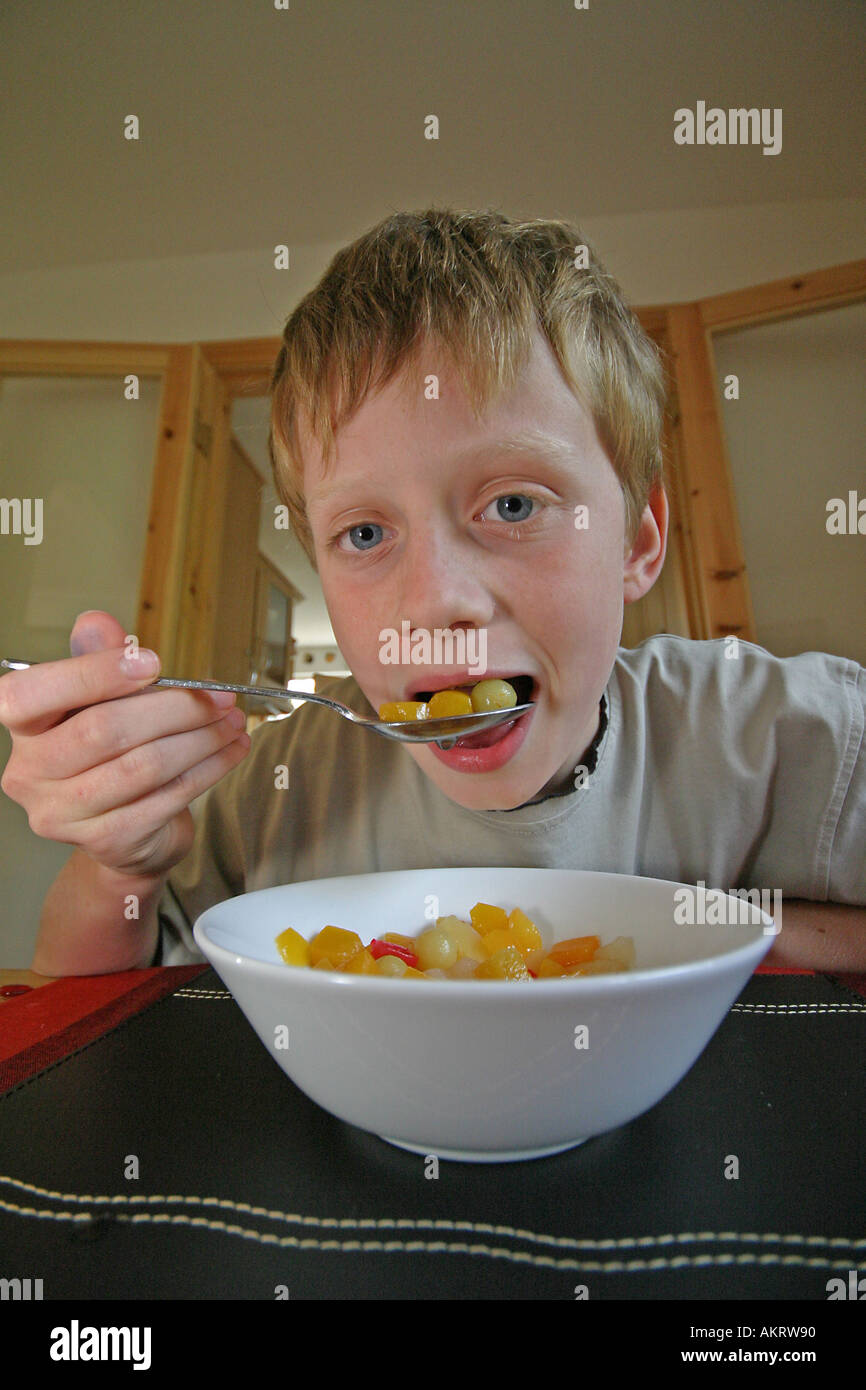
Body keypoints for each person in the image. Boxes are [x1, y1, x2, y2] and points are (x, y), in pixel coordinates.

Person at [1, 207, 863, 976]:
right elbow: (80, 1000)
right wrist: (119, 865)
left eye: (514, 505)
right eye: (365, 534)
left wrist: (732, 937)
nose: (434, 604)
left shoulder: (783, 734)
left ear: (638, 543)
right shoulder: (280, 786)